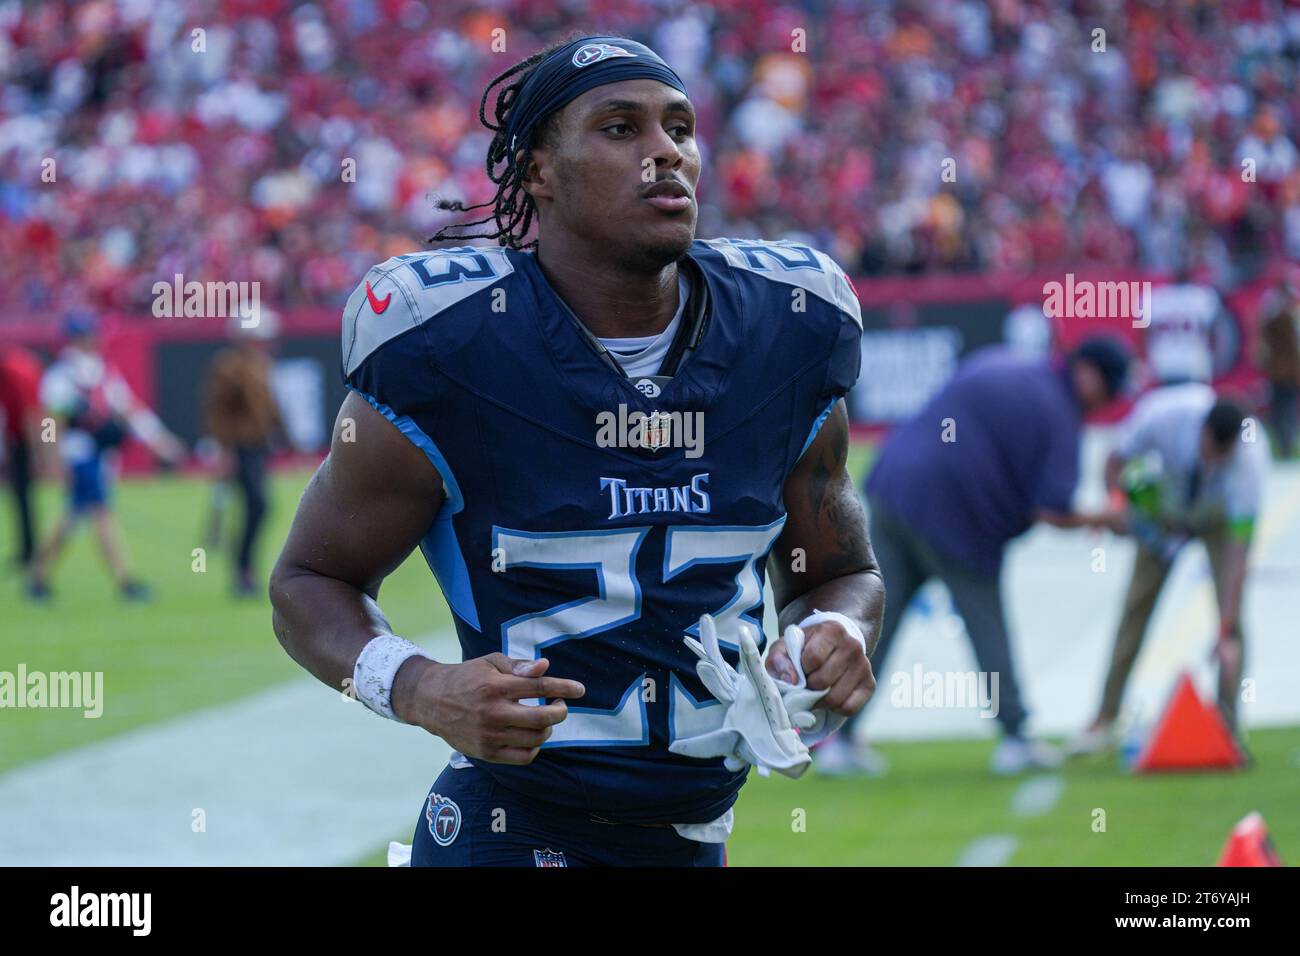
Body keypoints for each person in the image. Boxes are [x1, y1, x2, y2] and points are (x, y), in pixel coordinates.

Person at [270, 34, 884, 867]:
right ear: (538, 173)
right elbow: (308, 583)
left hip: (695, 839)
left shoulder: (787, 334)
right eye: (621, 129)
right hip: (510, 832)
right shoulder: (453, 348)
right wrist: (418, 687)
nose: (666, 152)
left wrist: (836, 631)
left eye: (680, 128)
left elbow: (839, 575)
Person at [817, 338, 1132, 777]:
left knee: (874, 623)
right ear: (1088, 374)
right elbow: (1053, 510)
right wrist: (1107, 519)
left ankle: (835, 736)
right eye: (1109, 391)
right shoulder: (1060, 413)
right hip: (956, 518)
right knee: (987, 625)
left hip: (894, 488)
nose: (1106, 403)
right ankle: (1017, 737)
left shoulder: (1003, 361)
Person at [1069, 388, 1267, 754]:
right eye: (1210, 450)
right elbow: (1114, 459)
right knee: (1135, 610)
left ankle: (1228, 729)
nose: (1213, 461)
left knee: (1234, 623)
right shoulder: (1164, 415)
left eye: (1222, 457)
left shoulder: (1250, 463)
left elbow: (1240, 554)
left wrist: (1224, 629)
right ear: (1202, 430)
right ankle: (1104, 719)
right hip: (1163, 511)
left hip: (1216, 518)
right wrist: (1116, 505)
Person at [26, 312, 185, 602]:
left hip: (96, 456)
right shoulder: (63, 376)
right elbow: (50, 421)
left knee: (71, 518)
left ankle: (37, 577)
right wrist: (53, 457)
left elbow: (127, 410)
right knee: (101, 516)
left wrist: (159, 440)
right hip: (79, 456)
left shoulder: (100, 371)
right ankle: (126, 581)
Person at [202, 310, 285, 597]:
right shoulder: (228, 367)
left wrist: (282, 436)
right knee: (257, 505)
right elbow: (219, 412)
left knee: (257, 507)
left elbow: (269, 407)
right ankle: (243, 571)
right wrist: (224, 450)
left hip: (257, 446)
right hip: (239, 447)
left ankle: (244, 570)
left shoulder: (261, 364)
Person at [0, 344, 46, 569]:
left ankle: (32, 552)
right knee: (21, 496)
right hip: (22, 438)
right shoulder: (16, 367)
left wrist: (41, 450)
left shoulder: (14, 373)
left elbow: (35, 414)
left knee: (24, 496)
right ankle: (28, 549)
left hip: (27, 440)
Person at [1256, 273, 1300, 459]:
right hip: (1282, 371)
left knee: (1286, 408)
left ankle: (1286, 444)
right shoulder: (1280, 318)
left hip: (1286, 371)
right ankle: (1284, 444)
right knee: (1282, 409)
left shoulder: (1281, 317)